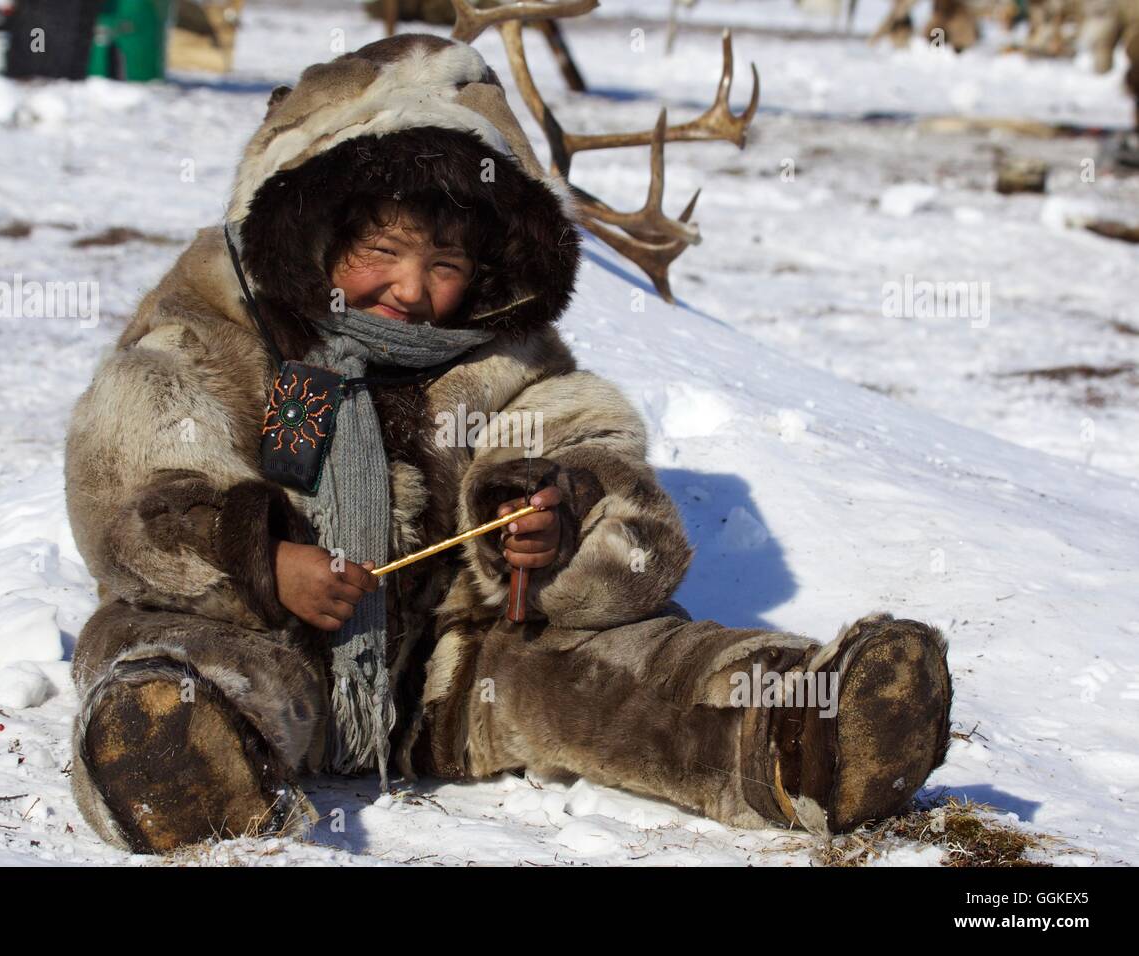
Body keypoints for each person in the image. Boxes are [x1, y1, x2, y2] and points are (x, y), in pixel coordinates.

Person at [64, 33, 953, 854]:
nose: (411, 291)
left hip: (450, 670)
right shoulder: (218, 320)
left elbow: (588, 449)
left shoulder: (503, 356)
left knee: (602, 674)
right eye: (382, 251)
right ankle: (184, 762)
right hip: (267, 639)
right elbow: (135, 481)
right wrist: (261, 559)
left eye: (444, 268)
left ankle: (804, 733)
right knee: (179, 660)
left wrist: (556, 523)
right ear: (319, 224)